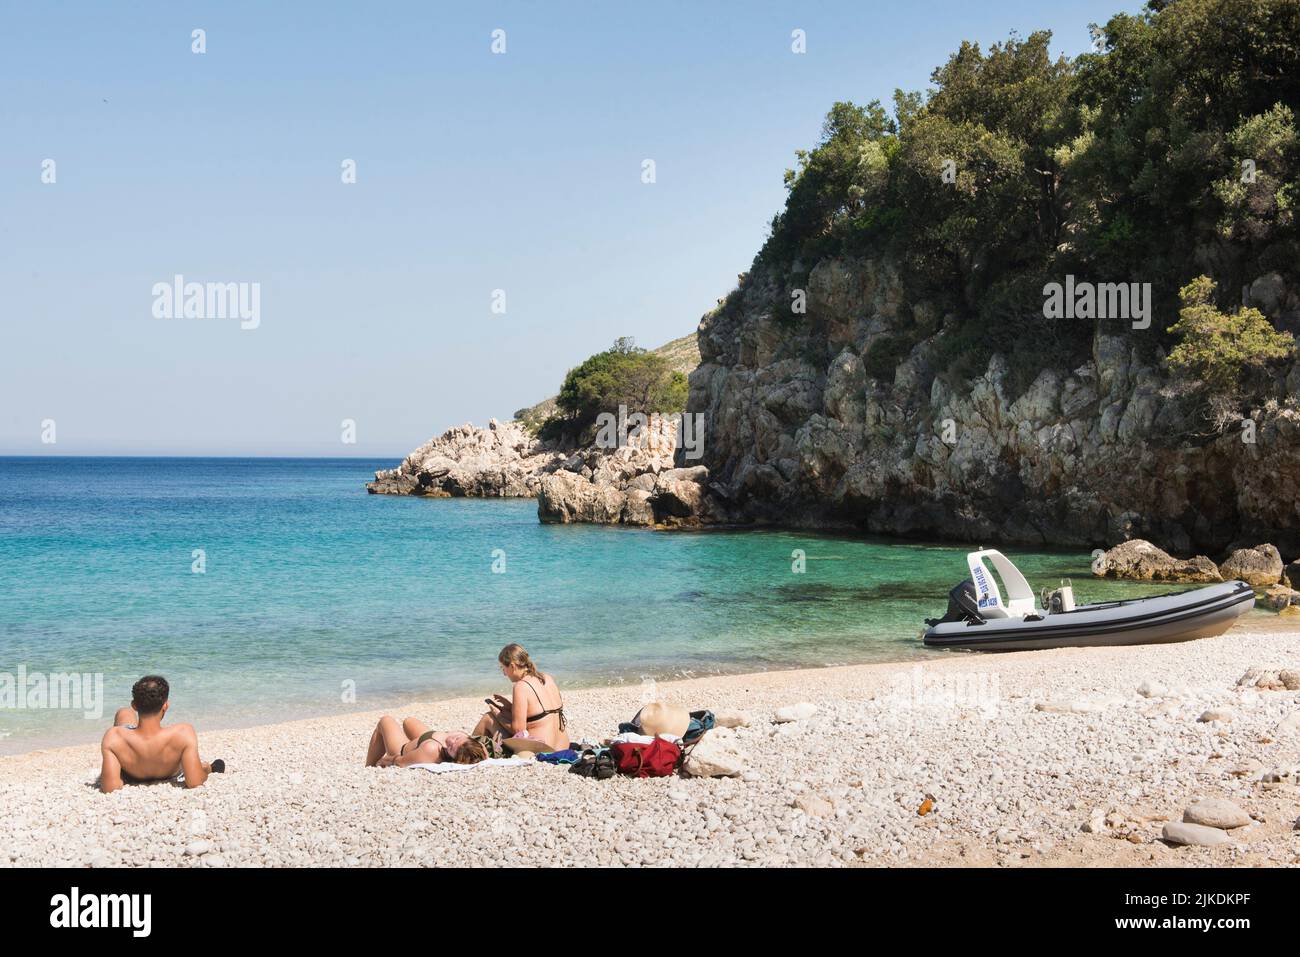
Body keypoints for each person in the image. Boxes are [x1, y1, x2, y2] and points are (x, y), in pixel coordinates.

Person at [98, 675, 224, 793]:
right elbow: (195, 781)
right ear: (165, 705)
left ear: (134, 705)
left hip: (132, 771)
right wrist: (205, 772)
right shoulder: (183, 733)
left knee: (123, 713)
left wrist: (121, 776)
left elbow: (110, 787)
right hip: (168, 770)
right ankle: (208, 767)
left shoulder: (113, 737)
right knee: (124, 713)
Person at [472, 643, 569, 752]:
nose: (504, 674)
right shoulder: (546, 678)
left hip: (541, 749)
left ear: (512, 666)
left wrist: (498, 715)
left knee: (488, 718)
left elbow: (519, 732)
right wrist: (510, 707)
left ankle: (468, 750)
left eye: (503, 668)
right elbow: (539, 714)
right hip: (563, 746)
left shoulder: (521, 686)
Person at [364, 715, 487, 767]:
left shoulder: (431, 750)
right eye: (457, 738)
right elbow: (482, 753)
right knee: (409, 721)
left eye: (450, 748)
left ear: (452, 756)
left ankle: (368, 766)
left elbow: (401, 762)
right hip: (427, 738)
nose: (450, 741)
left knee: (385, 720)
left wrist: (386, 760)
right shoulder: (474, 747)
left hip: (402, 749)